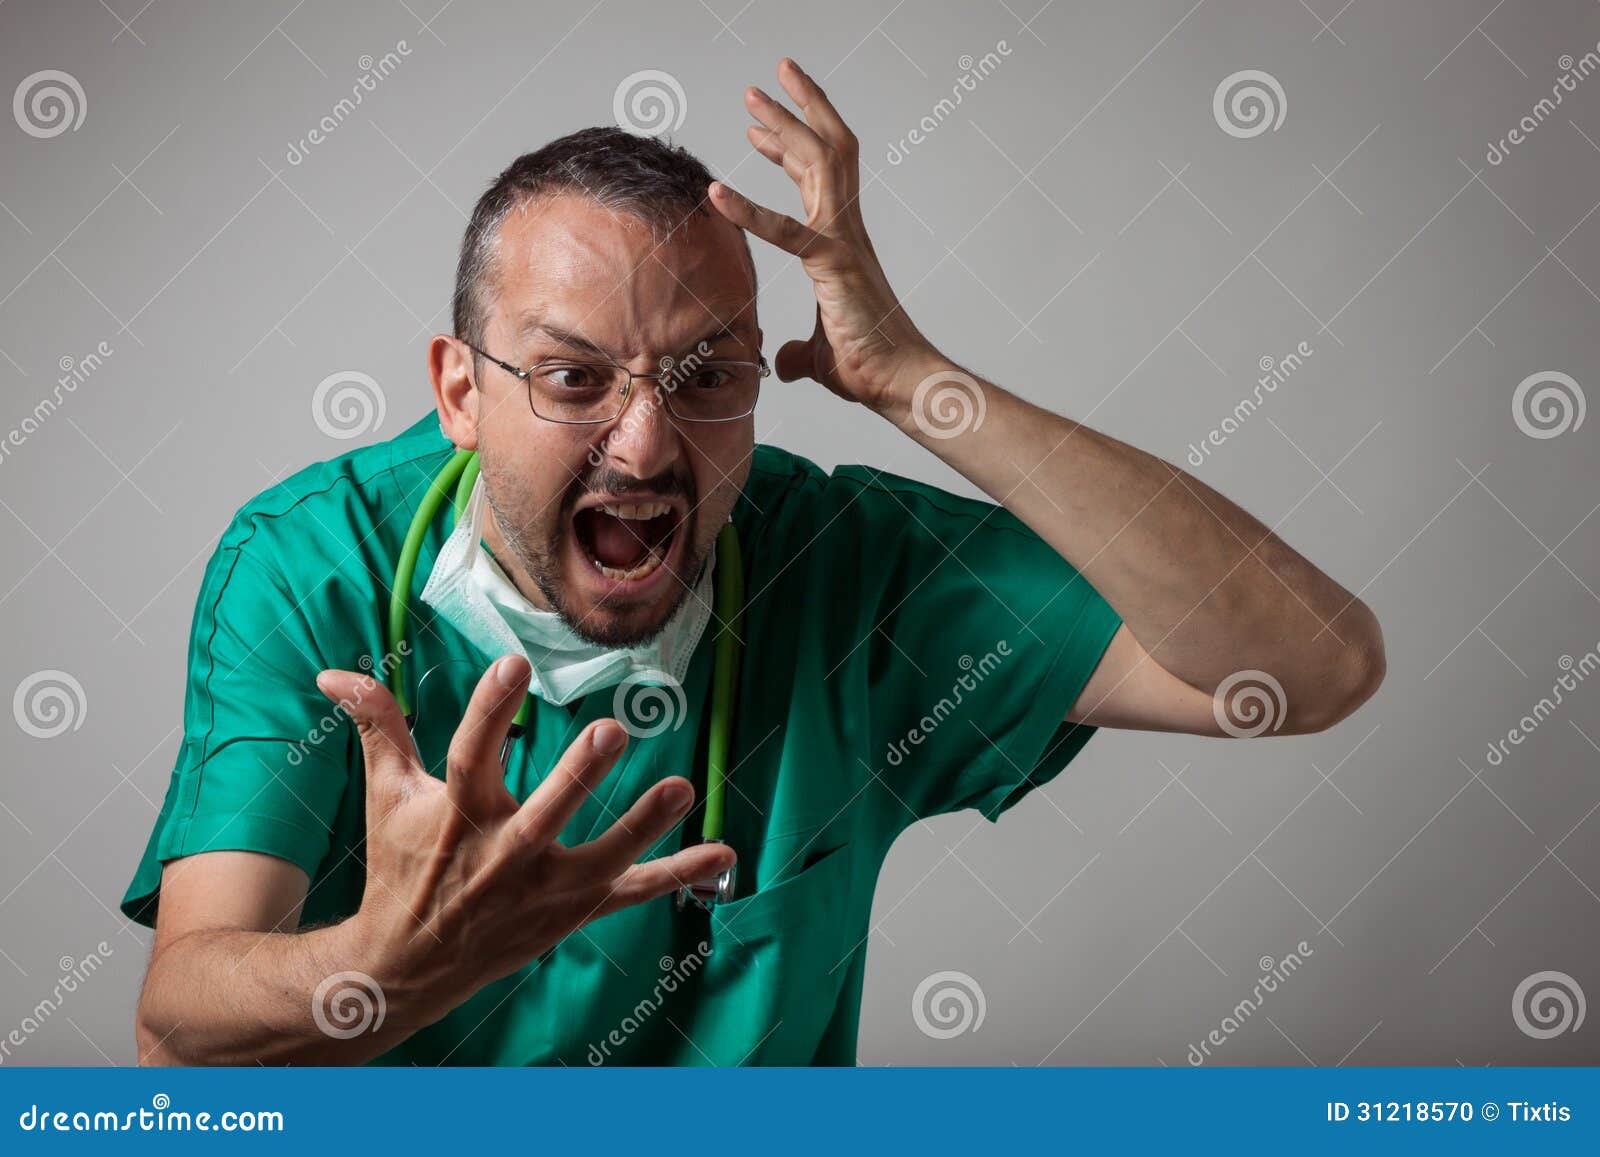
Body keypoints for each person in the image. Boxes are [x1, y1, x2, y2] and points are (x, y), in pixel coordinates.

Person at [126, 58, 1384, 1066]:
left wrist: (912, 380)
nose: (646, 441)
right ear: (460, 389)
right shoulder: (314, 568)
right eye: (573, 377)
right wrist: (392, 963)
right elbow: (179, 1027)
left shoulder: (844, 568)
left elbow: (1306, 667)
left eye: (707, 377)